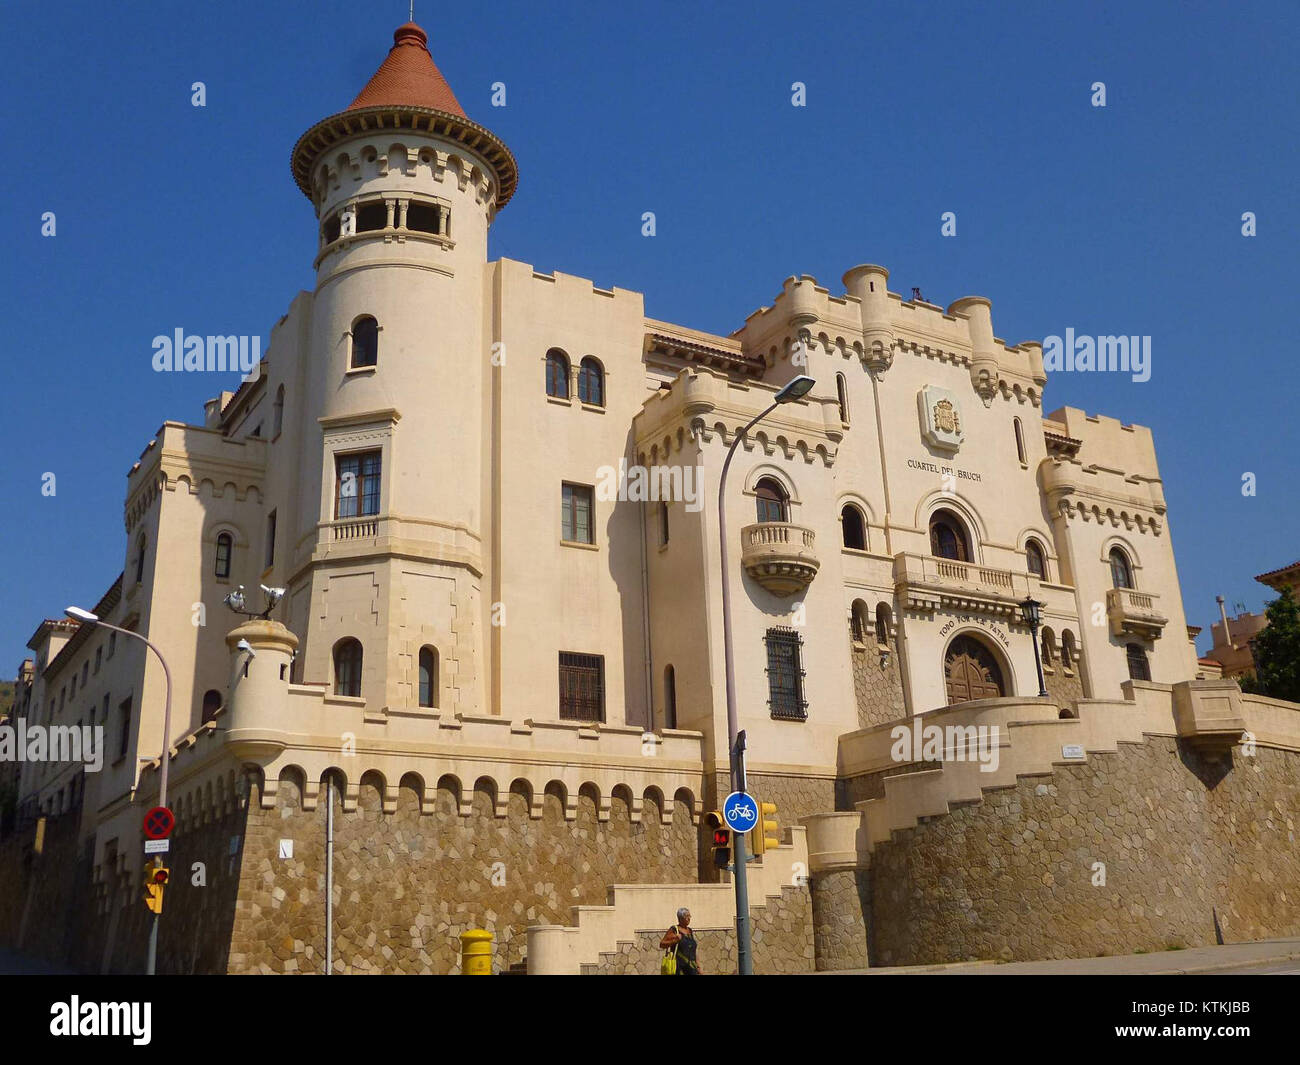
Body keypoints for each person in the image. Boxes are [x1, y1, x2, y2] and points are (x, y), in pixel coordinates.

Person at [660, 907, 700, 975]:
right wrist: (674, 940)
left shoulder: (690, 931)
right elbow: (662, 944)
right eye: (686, 916)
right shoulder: (674, 930)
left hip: (692, 968)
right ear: (680, 918)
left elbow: (693, 951)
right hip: (679, 968)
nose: (689, 918)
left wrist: (698, 967)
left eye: (689, 916)